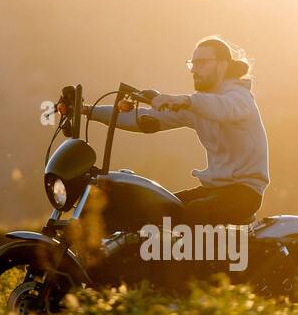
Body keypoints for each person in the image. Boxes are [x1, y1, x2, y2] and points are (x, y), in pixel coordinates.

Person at [67, 35, 269, 225]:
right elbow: (142, 119)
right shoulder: (197, 106)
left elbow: (223, 108)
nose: (193, 69)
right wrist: (87, 111)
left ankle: (188, 263)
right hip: (213, 190)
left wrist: (185, 101)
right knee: (158, 208)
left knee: (195, 212)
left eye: (201, 63)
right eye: (192, 63)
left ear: (223, 65)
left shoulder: (240, 97)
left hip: (245, 192)